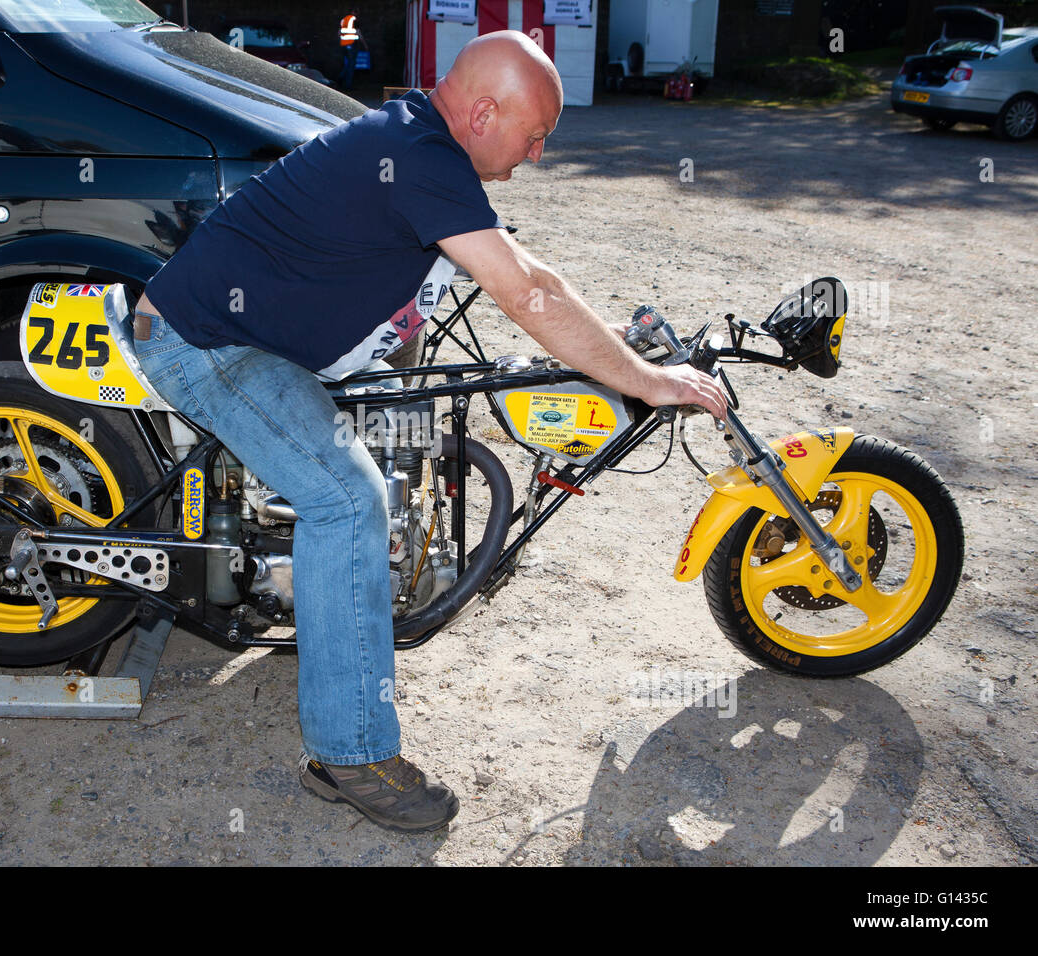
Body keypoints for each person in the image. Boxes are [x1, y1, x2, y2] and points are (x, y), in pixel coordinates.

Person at [132, 30, 725, 833]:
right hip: (209, 345)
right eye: (535, 134)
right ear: (483, 112)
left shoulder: (419, 143)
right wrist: (647, 381)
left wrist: (616, 347)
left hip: (254, 335)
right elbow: (527, 293)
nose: (540, 154)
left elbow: (526, 277)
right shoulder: (419, 154)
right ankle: (352, 755)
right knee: (347, 501)